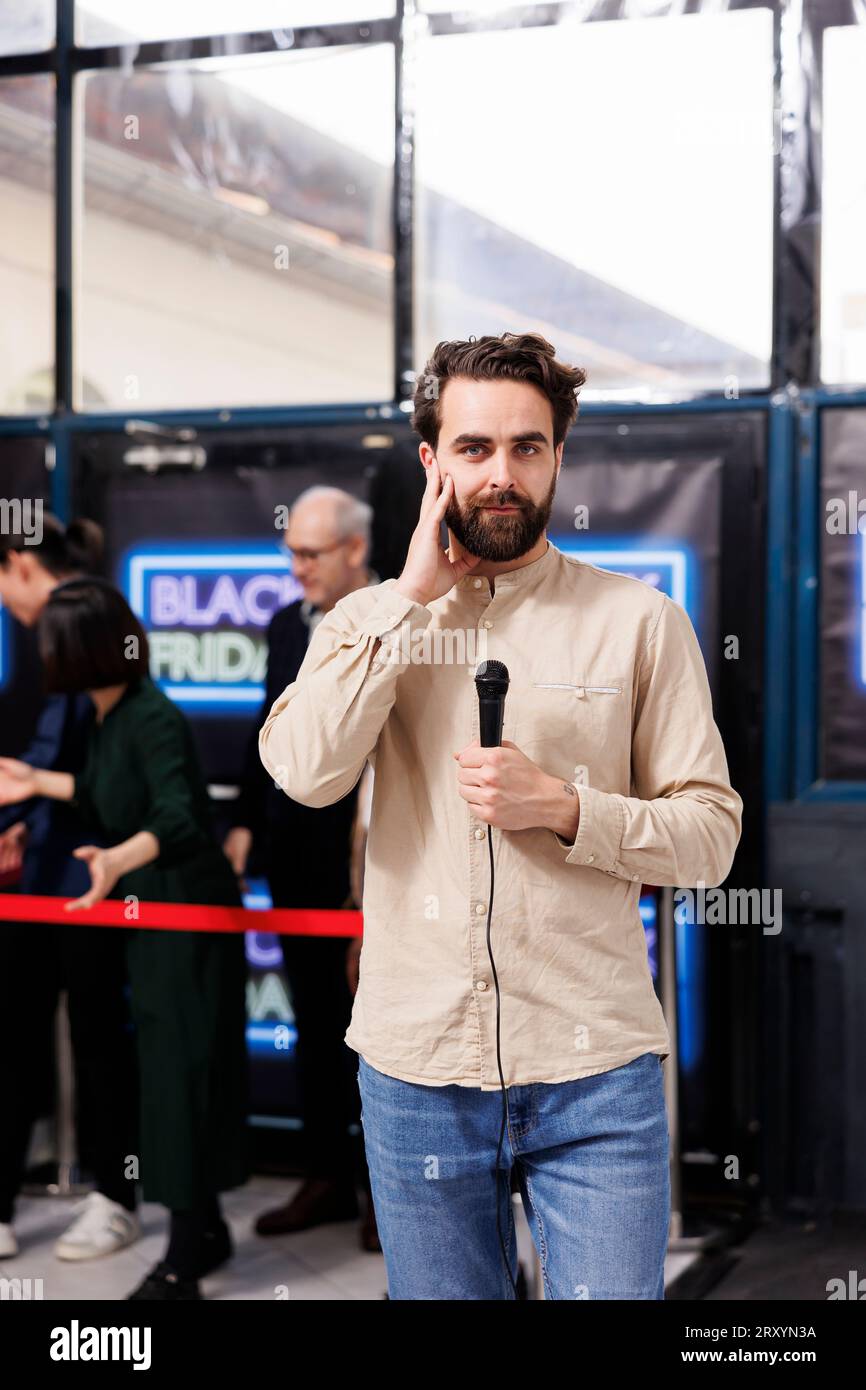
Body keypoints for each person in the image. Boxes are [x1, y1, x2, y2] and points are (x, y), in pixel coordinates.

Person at [258, 331, 744, 1300]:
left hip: (593, 1069)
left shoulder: (638, 620)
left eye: (526, 447)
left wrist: (566, 809)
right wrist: (408, 601)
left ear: (558, 456)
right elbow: (305, 771)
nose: (501, 475)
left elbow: (710, 835)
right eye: (473, 448)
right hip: (417, 1070)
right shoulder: (363, 621)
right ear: (432, 461)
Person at [0, 581, 249, 1300]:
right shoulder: (109, 716)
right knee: (170, 1070)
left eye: (52, 641)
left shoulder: (150, 718)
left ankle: (182, 1257)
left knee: (181, 1076)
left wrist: (113, 860)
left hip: (185, 918)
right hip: (154, 915)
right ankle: (203, 1229)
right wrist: (35, 784)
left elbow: (177, 818)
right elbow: (102, 791)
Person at [223, 486, 381, 1248]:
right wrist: (246, 823)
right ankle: (325, 1175)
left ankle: (391, 1196)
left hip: (376, 863)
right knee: (316, 1023)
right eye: (291, 553)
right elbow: (268, 726)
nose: (296, 569)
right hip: (296, 860)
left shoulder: (400, 620)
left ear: (356, 548)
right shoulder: (288, 625)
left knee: (380, 1030)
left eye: (309, 554)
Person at [0, 516, 140, 1263]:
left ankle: (117, 1195)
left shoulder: (87, 626)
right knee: (17, 1035)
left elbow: (112, 773)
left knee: (98, 1040)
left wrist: (24, 795)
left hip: (93, 875)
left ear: (19, 563)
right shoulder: (57, 635)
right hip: (35, 881)